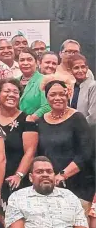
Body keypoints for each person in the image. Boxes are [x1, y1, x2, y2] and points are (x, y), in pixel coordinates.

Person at [37, 80, 95, 210]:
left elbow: (86, 153)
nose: (58, 98)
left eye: (61, 94)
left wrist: (63, 175)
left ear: (67, 96)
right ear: (47, 97)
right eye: (53, 95)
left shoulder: (77, 118)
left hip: (79, 185)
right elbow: (40, 153)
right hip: (50, 186)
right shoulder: (41, 121)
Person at [0, 79, 38, 203]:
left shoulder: (27, 120)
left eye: (15, 92)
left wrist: (19, 175)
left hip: (17, 179)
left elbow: (30, 152)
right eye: (7, 91)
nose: (11, 95)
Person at [17, 48, 51, 117]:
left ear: (37, 62)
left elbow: (47, 106)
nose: (25, 63)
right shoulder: (14, 82)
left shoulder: (45, 80)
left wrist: (31, 118)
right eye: (22, 60)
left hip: (37, 123)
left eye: (29, 59)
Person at [68, 54, 96, 124]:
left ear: (87, 68)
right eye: (76, 68)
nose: (80, 71)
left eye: (83, 67)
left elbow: (93, 116)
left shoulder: (93, 86)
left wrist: (79, 128)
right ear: (70, 71)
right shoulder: (72, 86)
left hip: (88, 130)